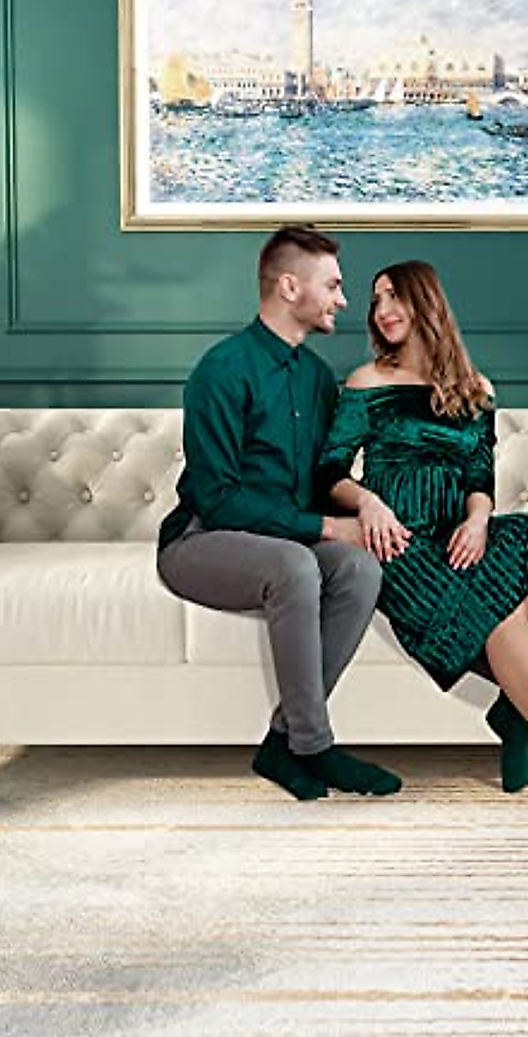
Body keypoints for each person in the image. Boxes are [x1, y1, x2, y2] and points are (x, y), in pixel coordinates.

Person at [317, 260, 528, 838]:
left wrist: (479, 521)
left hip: (458, 534)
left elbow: (480, 478)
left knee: (525, 533)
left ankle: (515, 707)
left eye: (394, 296)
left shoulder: (477, 388)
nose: (382, 311)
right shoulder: (366, 381)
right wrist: (368, 503)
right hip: (401, 541)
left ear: (426, 303)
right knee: (497, 603)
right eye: (377, 300)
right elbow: (328, 472)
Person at [157, 224, 401, 801]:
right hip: (201, 541)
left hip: (287, 540)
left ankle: (280, 743)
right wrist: (326, 527)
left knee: (360, 568)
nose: (344, 300)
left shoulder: (316, 379)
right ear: (291, 287)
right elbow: (219, 500)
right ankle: (314, 747)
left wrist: (369, 507)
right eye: (333, 286)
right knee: (295, 565)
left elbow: (324, 479)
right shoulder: (222, 370)